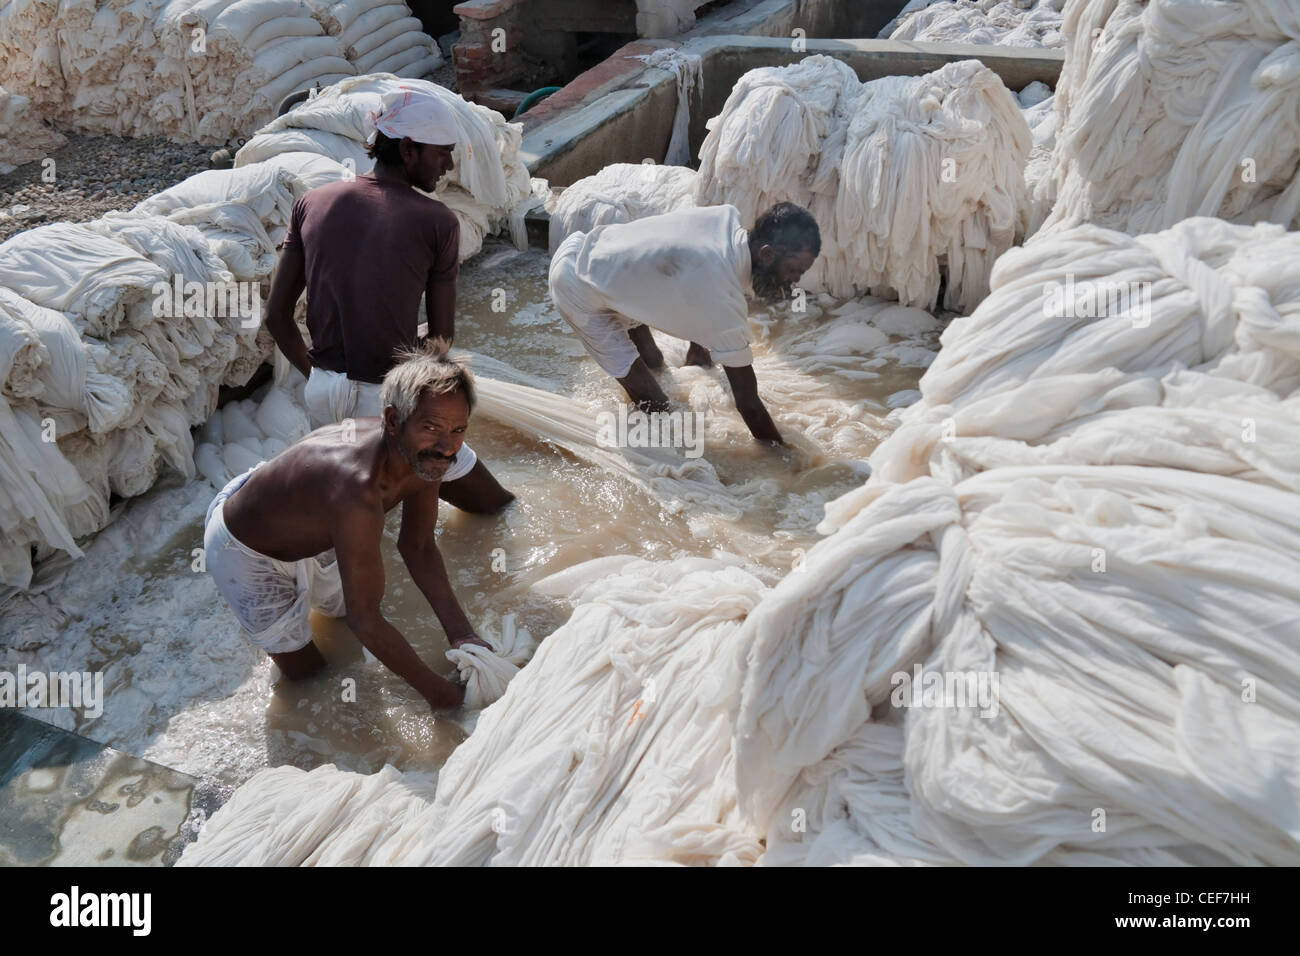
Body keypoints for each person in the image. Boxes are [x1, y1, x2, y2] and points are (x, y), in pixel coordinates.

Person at [263, 83, 512, 513]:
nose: (448, 165)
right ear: (410, 150)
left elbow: (277, 317)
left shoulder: (311, 203)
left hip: (322, 394)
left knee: (356, 510)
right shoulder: (436, 221)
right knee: (495, 505)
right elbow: (440, 342)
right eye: (442, 153)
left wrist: (319, 375)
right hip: (390, 402)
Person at [203, 346, 487, 711]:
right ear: (393, 421)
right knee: (309, 678)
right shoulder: (357, 492)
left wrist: (462, 634)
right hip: (243, 548)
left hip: (304, 512)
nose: (448, 447)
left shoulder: (426, 458)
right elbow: (365, 620)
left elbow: (418, 547)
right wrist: (445, 698)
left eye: (458, 429)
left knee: (337, 617)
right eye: (431, 427)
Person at [547, 201, 820, 445]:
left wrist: (699, 350)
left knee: (655, 361)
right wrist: (785, 457)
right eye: (794, 269)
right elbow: (748, 405)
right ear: (768, 254)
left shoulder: (724, 218)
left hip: (603, 259)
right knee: (660, 410)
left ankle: (659, 363)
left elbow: (694, 276)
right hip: (575, 287)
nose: (795, 280)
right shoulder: (723, 300)